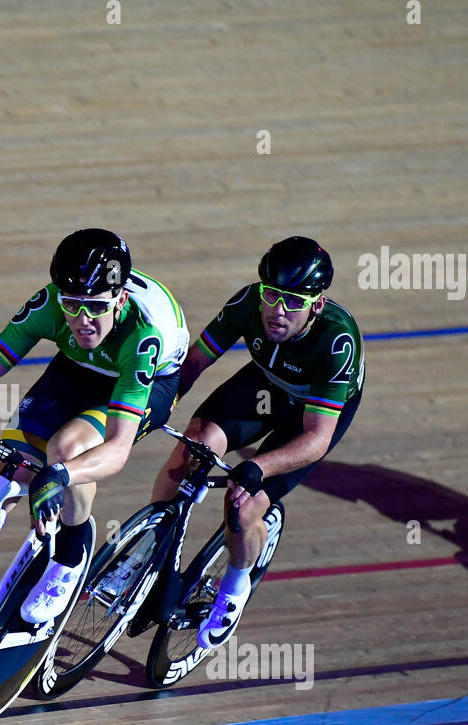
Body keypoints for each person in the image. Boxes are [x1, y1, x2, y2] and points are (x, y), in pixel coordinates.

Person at [0, 229, 188, 661]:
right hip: (78, 367)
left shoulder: (144, 335)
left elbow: (116, 449)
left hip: (142, 381)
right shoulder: (49, 306)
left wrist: (60, 476)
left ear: (119, 299)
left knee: (65, 450)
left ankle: (70, 557)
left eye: (95, 307)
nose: (82, 320)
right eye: (72, 305)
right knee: (8, 473)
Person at [148, 236, 364, 650]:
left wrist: (259, 467)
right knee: (192, 447)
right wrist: (160, 405)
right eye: (271, 296)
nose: (277, 311)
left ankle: (233, 586)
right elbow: (194, 362)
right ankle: (148, 550)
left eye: (293, 302)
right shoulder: (249, 303)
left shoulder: (338, 343)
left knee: (243, 502)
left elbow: (316, 438)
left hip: (314, 414)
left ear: (317, 305)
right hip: (266, 383)